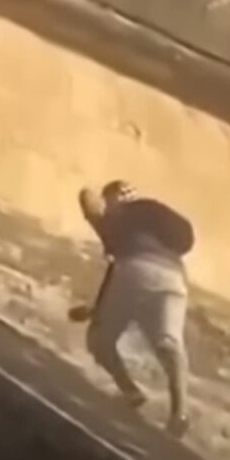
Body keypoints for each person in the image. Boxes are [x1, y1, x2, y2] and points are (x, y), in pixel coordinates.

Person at [76, 180, 193, 437]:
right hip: (175, 278)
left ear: (113, 201)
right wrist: (97, 307)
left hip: (135, 270)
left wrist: (94, 205)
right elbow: (116, 270)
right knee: (169, 343)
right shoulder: (155, 226)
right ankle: (180, 411)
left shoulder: (114, 220)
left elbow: (88, 199)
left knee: (99, 341)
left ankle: (131, 392)